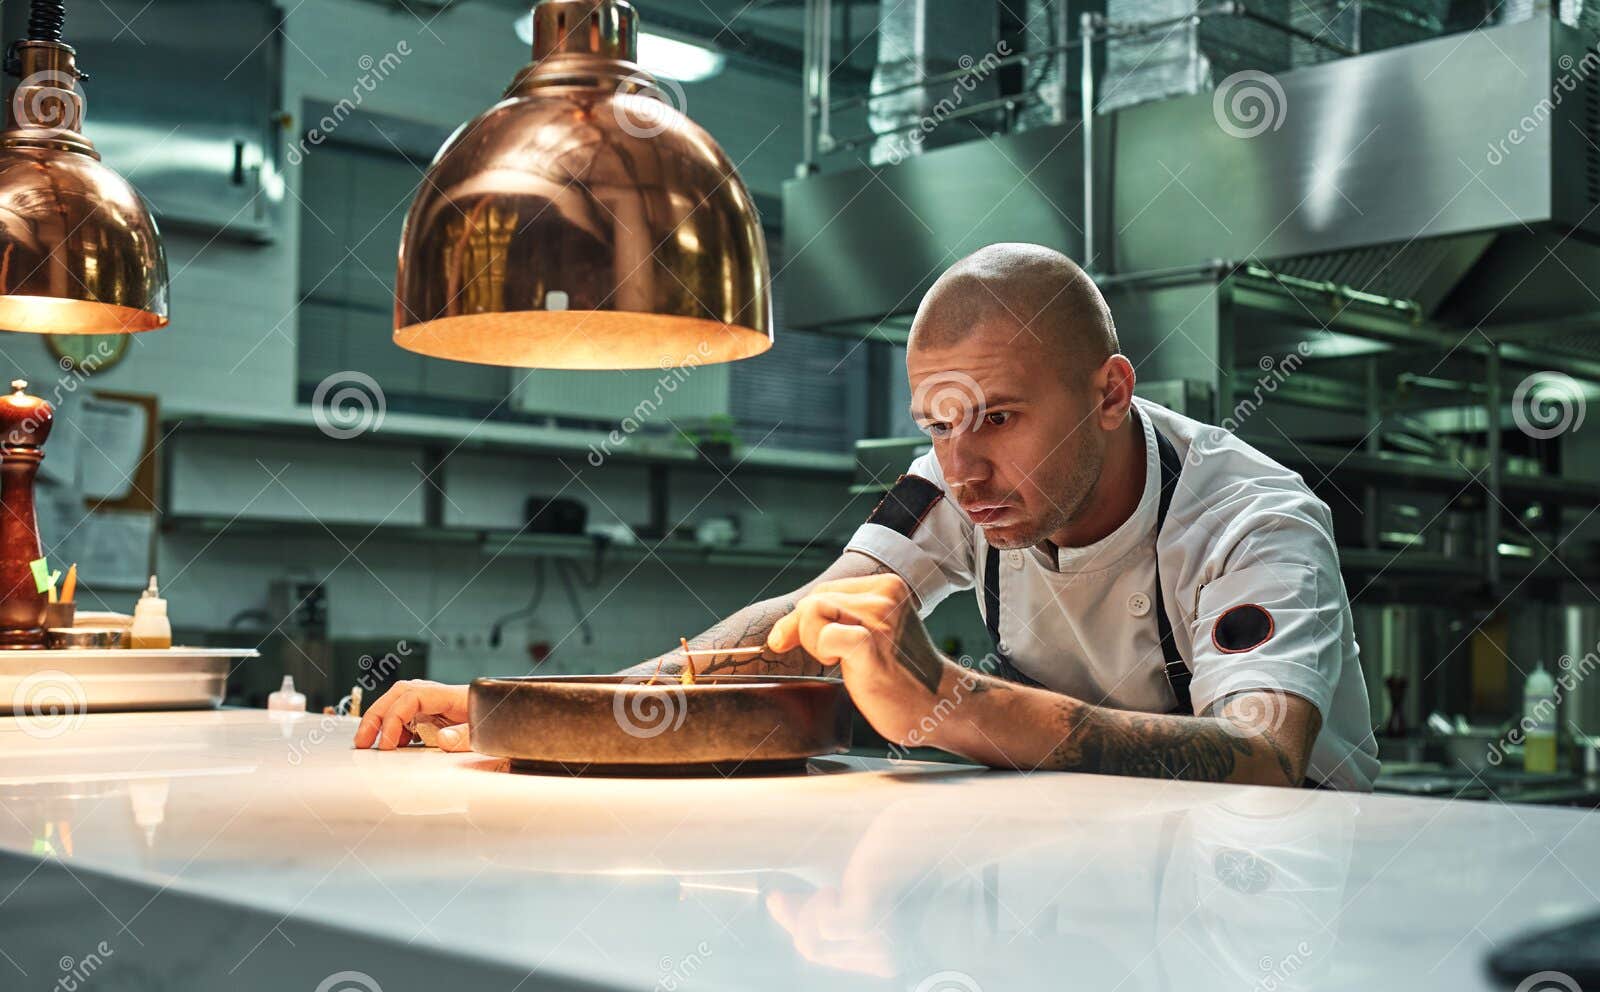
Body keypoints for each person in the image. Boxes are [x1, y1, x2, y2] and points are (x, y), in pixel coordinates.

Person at [356, 243, 1378, 790]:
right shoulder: (954, 483)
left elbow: (1260, 757)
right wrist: (552, 707)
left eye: (999, 420)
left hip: (1296, 878)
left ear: (1110, 392)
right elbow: (812, 610)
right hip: (1102, 860)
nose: (962, 470)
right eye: (935, 428)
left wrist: (952, 696)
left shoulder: (1249, 519)